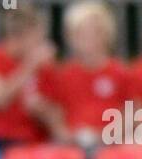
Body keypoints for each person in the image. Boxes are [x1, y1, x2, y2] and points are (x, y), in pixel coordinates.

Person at [36, 2, 130, 148]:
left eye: (94, 31)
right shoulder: (64, 75)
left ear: (106, 34)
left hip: (111, 145)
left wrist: (106, 136)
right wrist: (65, 134)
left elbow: (131, 113)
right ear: (71, 37)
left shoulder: (120, 73)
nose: (88, 37)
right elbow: (55, 114)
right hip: (72, 145)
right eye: (81, 32)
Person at [0, 5, 55, 148]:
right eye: (38, 37)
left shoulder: (45, 67)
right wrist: (30, 66)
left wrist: (44, 111)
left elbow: (56, 112)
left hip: (33, 142)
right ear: (19, 37)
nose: (42, 43)